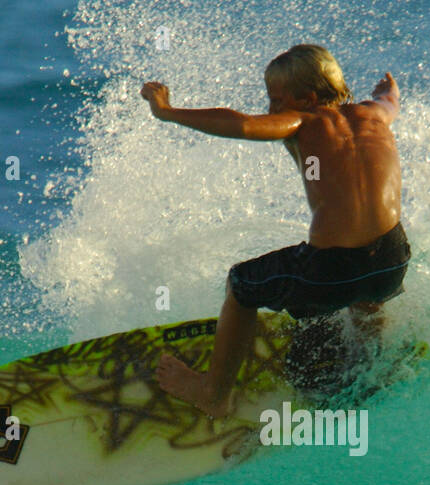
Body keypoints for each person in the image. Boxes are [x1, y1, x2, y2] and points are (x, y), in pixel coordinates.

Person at [142, 44, 411, 415]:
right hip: (392, 261)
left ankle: (214, 395)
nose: (270, 110)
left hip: (331, 274)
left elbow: (242, 123)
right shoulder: (374, 114)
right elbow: (390, 101)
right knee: (366, 276)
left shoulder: (303, 121)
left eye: (275, 100)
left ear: (309, 98)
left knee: (241, 284)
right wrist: (388, 90)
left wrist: (168, 112)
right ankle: (370, 363)